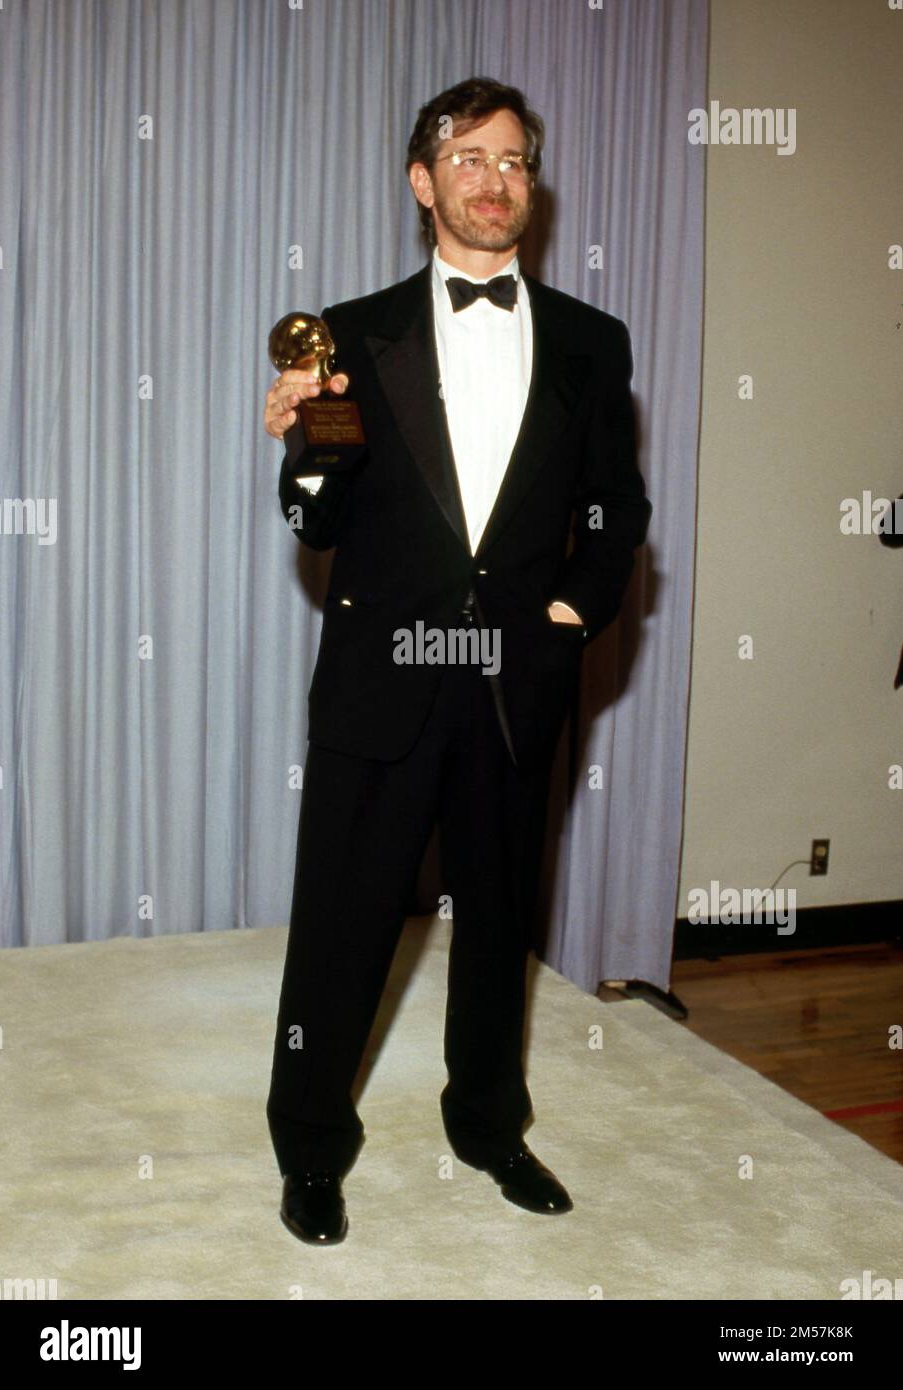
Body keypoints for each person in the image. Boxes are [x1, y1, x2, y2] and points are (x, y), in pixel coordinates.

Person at [262, 77, 652, 1244]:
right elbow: (315, 521)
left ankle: (488, 1122)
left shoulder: (591, 340)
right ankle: (311, 1145)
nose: (497, 181)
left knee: (497, 924)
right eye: (470, 159)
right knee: (342, 923)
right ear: (422, 182)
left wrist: (573, 621)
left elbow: (616, 512)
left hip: (515, 686)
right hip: (381, 675)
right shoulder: (348, 332)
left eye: (517, 161)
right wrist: (305, 442)